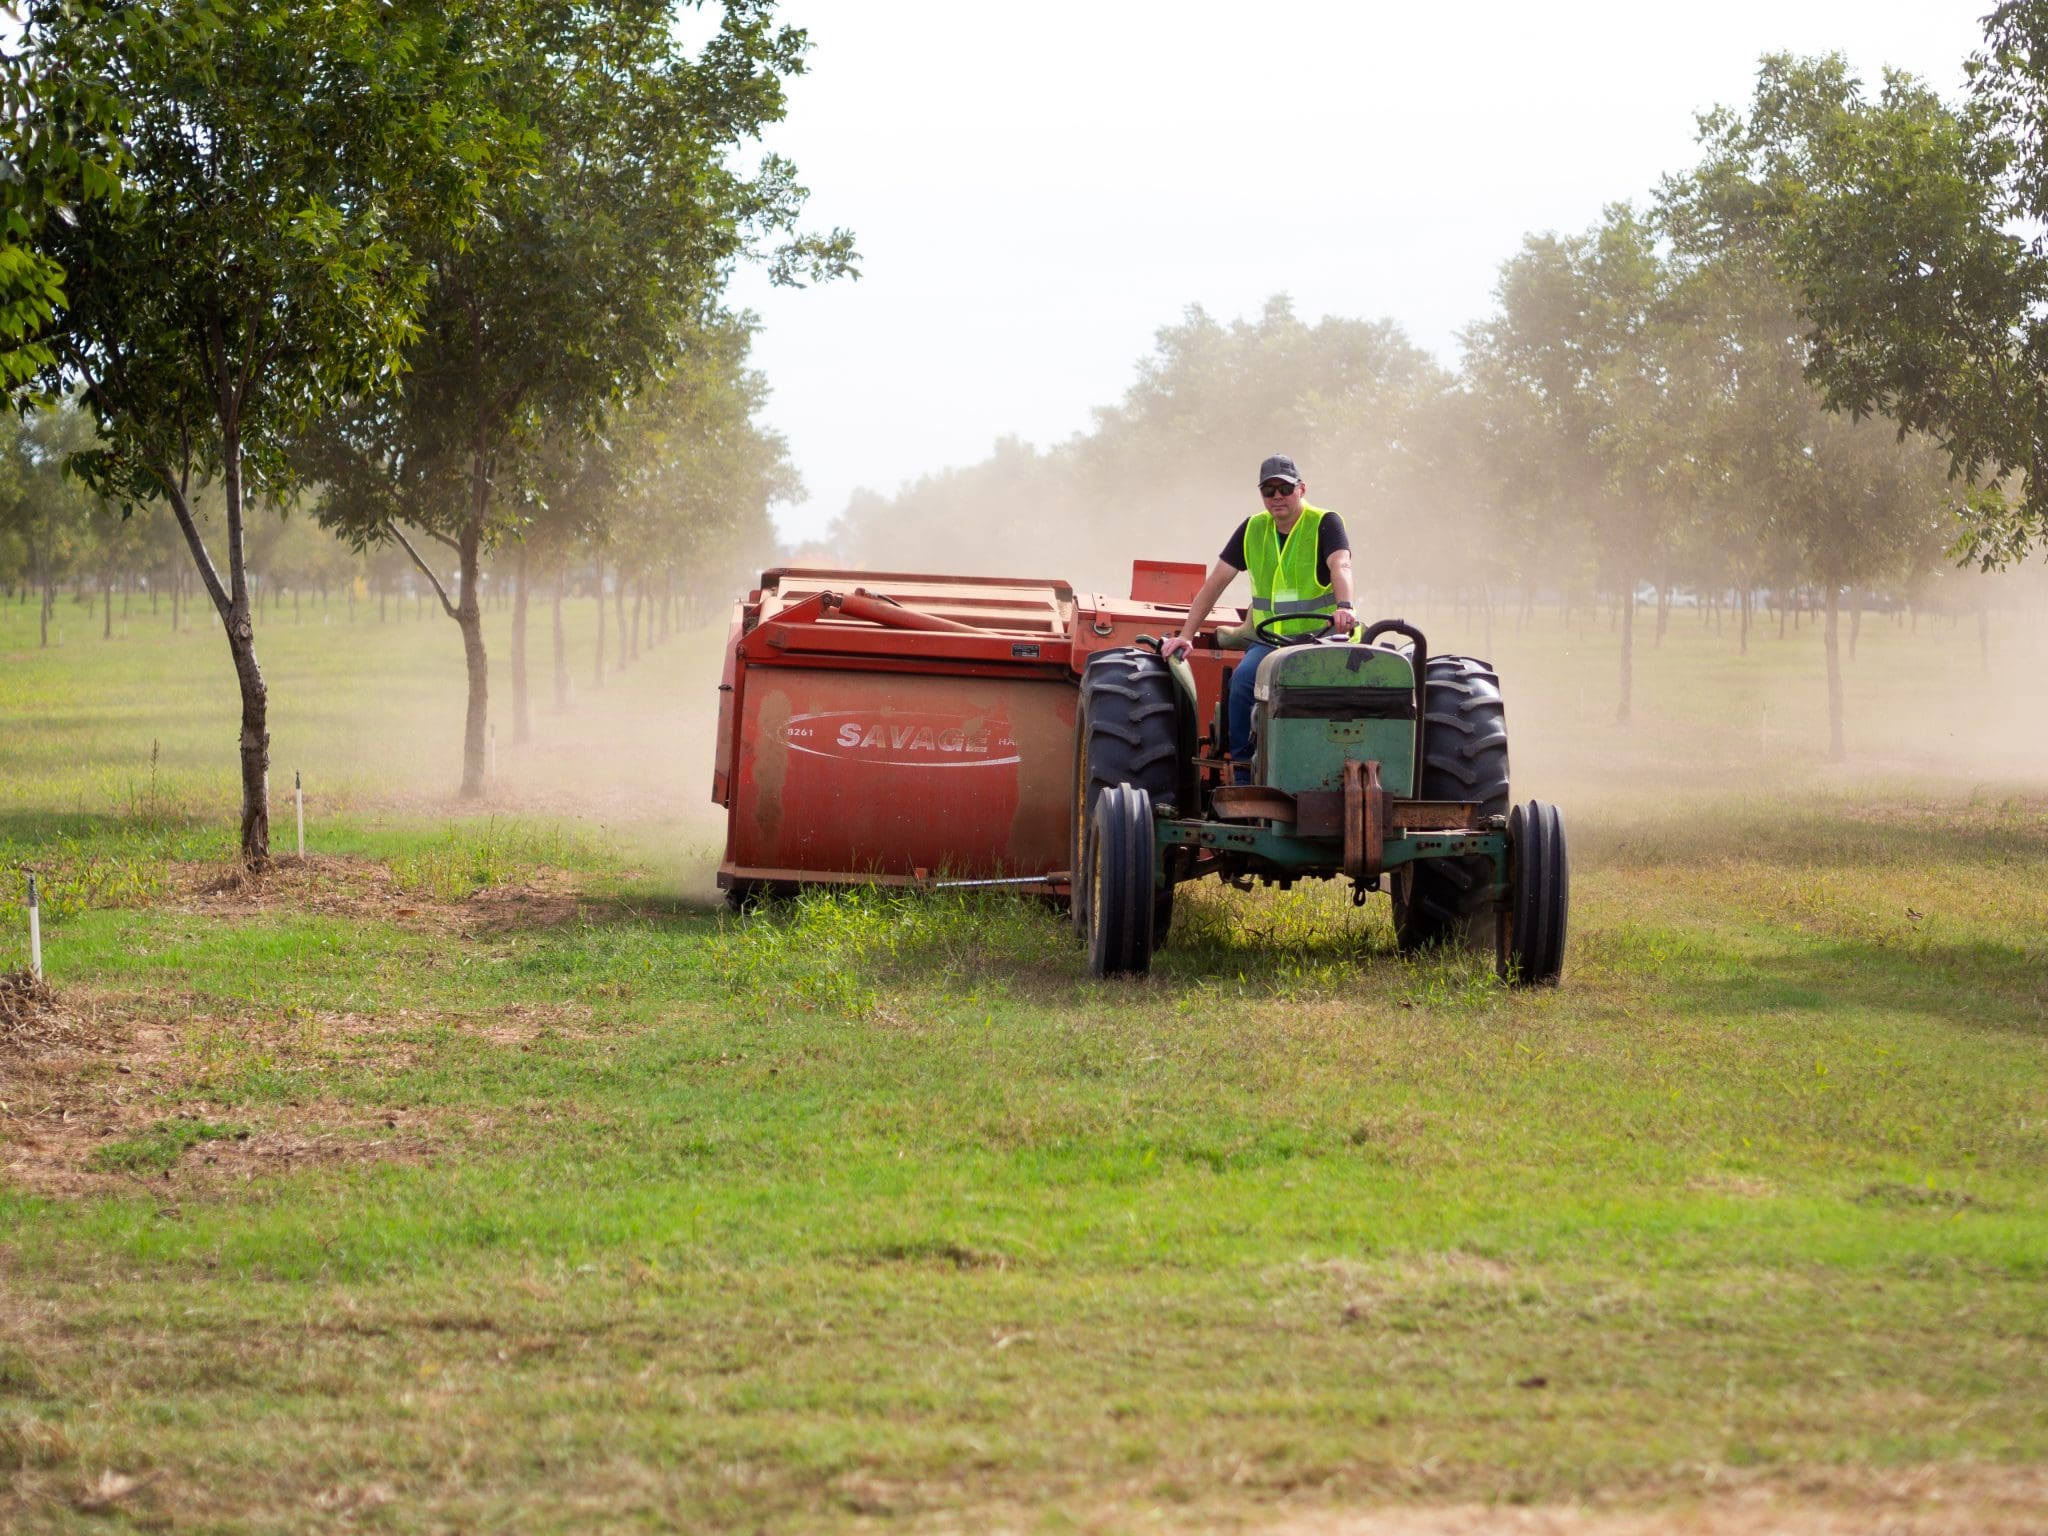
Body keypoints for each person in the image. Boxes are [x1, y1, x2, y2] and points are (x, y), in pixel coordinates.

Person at [1160, 454, 1357, 773]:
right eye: (1269, 490)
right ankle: (1241, 772)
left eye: (1285, 488)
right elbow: (1216, 582)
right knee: (1241, 683)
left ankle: (1339, 765)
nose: (1277, 496)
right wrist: (1186, 635)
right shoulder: (1253, 529)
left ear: (1301, 489)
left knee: (1337, 694)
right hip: (1272, 643)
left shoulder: (1325, 522)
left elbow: (1341, 564)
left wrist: (1345, 608)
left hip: (1324, 641)